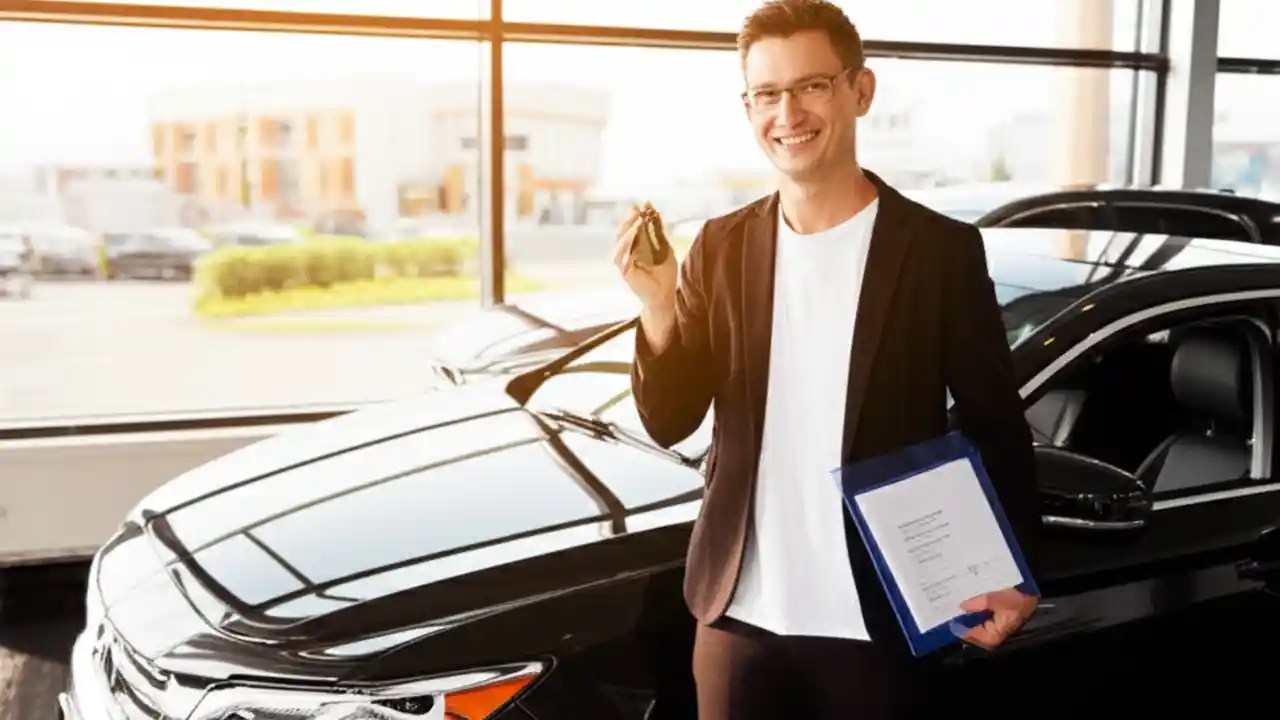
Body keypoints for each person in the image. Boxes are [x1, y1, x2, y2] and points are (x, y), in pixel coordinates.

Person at [612, 1, 1042, 717]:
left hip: (877, 624)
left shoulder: (939, 252)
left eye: (811, 86)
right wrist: (657, 306)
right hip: (739, 620)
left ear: (859, 91)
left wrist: (1016, 573)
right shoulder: (720, 248)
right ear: (747, 106)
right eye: (767, 94)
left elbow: (996, 423)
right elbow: (669, 419)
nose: (789, 114)